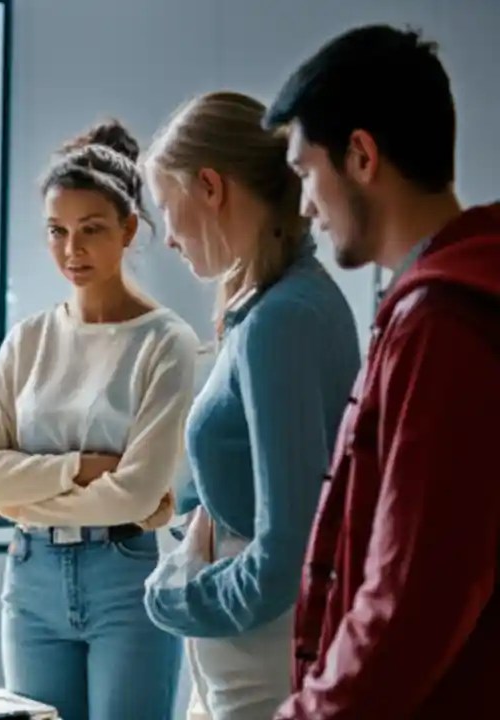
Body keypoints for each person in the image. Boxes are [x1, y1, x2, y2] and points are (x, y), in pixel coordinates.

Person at [263, 25, 500, 720]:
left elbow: (411, 595)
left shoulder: (443, 320)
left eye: (307, 172)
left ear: (361, 155)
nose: (304, 205)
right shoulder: (451, 296)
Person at [0, 120, 198, 720]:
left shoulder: (165, 341)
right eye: (58, 232)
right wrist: (84, 468)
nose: (72, 250)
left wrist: (22, 496)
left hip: (127, 579)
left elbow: (137, 494)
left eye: (91, 230)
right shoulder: (29, 339)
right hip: (30, 577)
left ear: (129, 230)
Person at [137, 91, 361, 720]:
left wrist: (172, 597)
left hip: (257, 649)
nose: (171, 239)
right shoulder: (280, 303)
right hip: (247, 644)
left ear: (209, 185)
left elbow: (284, 556)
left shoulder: (280, 319)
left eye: (165, 207)